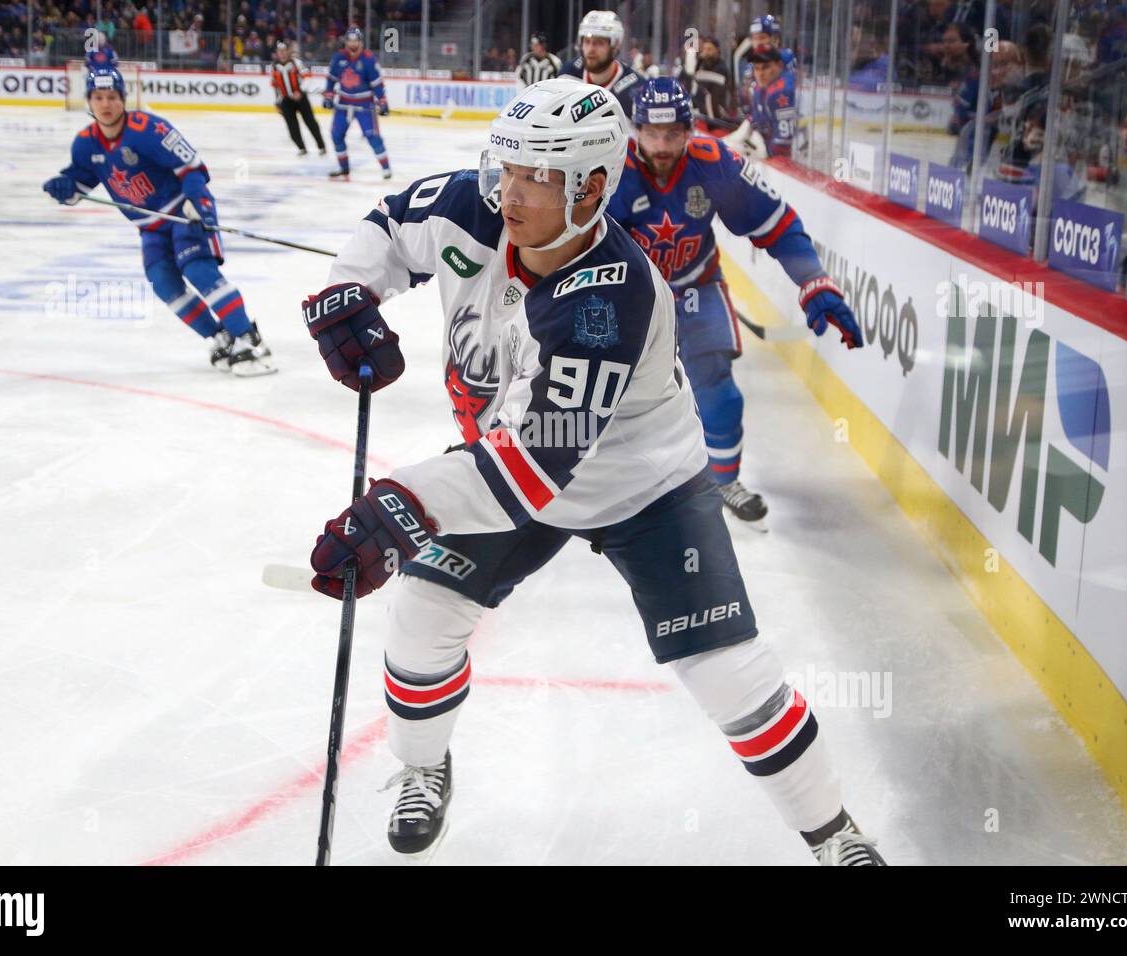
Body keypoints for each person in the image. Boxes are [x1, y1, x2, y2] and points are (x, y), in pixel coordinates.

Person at [298, 78, 884, 865]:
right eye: (507, 167)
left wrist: (396, 505)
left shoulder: (607, 296)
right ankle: (424, 764)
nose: (512, 192)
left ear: (593, 187)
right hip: (506, 461)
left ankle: (832, 831)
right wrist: (346, 290)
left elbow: (534, 468)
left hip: (641, 487)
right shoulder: (475, 202)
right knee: (423, 619)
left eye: (539, 176)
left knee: (731, 675)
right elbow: (391, 225)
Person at [608, 77, 862, 523]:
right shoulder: (612, 171)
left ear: (690, 130)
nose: (662, 145)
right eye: (651, 133)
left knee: (718, 391)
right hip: (628, 296)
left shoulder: (715, 164)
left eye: (673, 134)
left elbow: (776, 225)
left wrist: (813, 280)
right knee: (604, 390)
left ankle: (722, 481)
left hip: (695, 286)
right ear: (636, 129)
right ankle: (600, 475)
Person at [42, 67, 275, 376]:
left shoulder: (148, 129)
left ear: (123, 98)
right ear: (88, 100)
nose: (106, 104)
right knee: (164, 283)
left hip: (184, 209)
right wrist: (63, 187)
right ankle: (223, 337)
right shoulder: (86, 144)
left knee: (198, 269)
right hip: (148, 225)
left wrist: (198, 206)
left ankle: (249, 338)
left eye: (112, 96)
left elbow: (192, 168)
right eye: (98, 97)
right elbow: (78, 187)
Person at [322, 26, 391, 181]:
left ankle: (386, 168)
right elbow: (331, 79)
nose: (353, 44)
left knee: (372, 136)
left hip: (364, 105)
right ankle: (344, 169)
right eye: (350, 41)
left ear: (361, 42)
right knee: (336, 135)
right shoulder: (339, 58)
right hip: (344, 104)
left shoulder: (368, 59)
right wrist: (328, 96)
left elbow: (377, 83)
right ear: (346, 42)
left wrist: (382, 101)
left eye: (356, 41)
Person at [559, 9, 645, 117]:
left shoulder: (635, 88)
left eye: (599, 43)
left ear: (616, 45)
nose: (590, 49)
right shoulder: (568, 74)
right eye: (586, 41)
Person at [270, 41, 327, 156]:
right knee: (292, 127)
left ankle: (321, 146)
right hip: (286, 101)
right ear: (277, 53)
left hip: (301, 99)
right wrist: (277, 103)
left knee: (311, 122)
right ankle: (302, 148)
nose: (282, 53)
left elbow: (307, 77)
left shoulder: (297, 63)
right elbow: (275, 86)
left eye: (284, 51)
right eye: (279, 51)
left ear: (288, 51)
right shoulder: (273, 67)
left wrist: (300, 91)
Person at [678, 33, 740, 136]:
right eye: (705, 49)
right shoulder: (702, 65)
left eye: (710, 49)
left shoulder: (721, 69)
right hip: (700, 116)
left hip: (715, 118)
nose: (706, 53)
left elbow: (706, 87)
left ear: (717, 50)